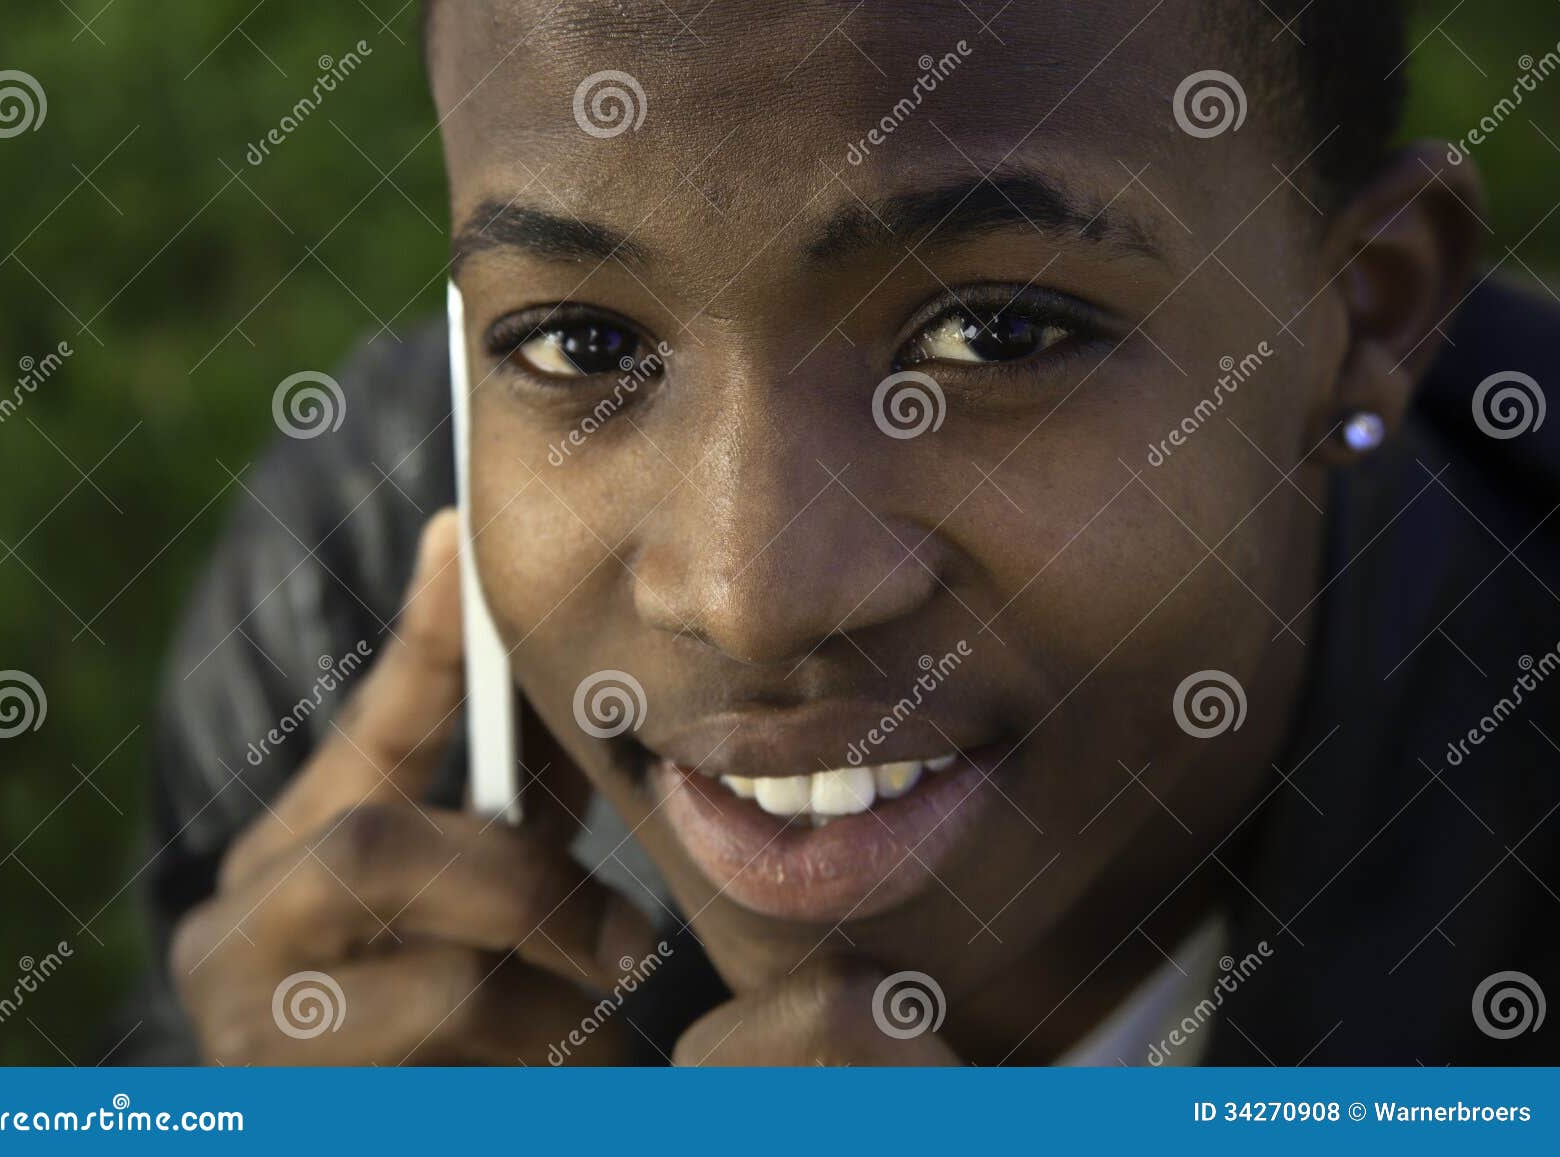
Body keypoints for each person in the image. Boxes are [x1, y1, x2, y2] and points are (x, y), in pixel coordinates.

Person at [133, 0, 1560, 1065]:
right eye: (578, 338)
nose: (751, 596)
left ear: (1365, 311)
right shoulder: (359, 596)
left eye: (995, 334)